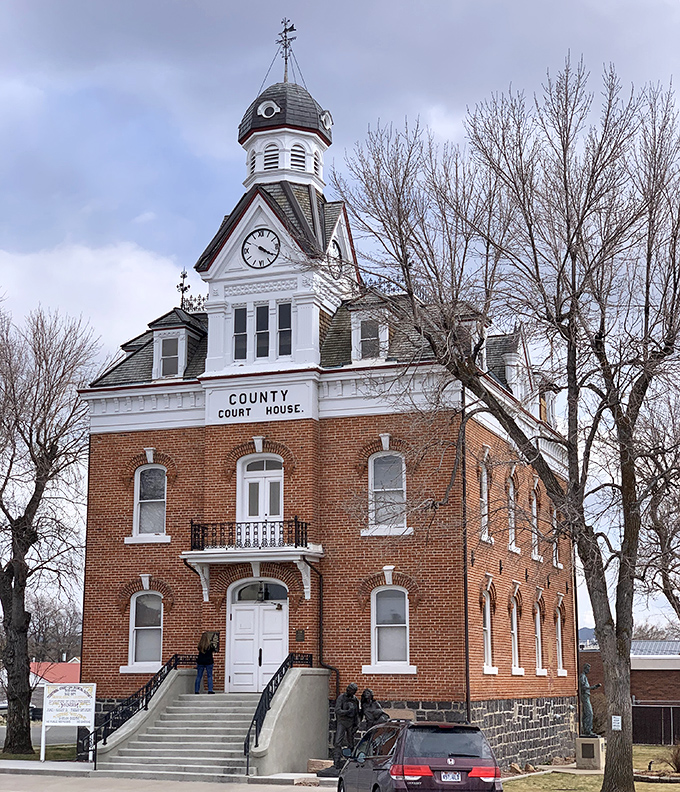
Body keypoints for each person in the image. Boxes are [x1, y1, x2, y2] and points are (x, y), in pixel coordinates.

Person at [333, 683, 360, 768]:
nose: (352, 693)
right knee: (338, 742)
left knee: (351, 743)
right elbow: (337, 710)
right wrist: (347, 711)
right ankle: (336, 762)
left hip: (351, 722)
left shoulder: (355, 700)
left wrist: (357, 724)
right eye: (351, 691)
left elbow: (356, 714)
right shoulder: (341, 698)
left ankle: (351, 762)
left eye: (354, 692)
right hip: (342, 722)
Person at [579, 663, 601, 736]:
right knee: (589, 713)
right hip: (584, 696)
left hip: (587, 696)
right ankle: (587, 730)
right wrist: (593, 687)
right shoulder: (582, 676)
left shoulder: (585, 677)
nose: (589, 671)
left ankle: (587, 730)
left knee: (586, 713)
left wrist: (593, 688)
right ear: (585, 669)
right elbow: (583, 687)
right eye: (588, 669)